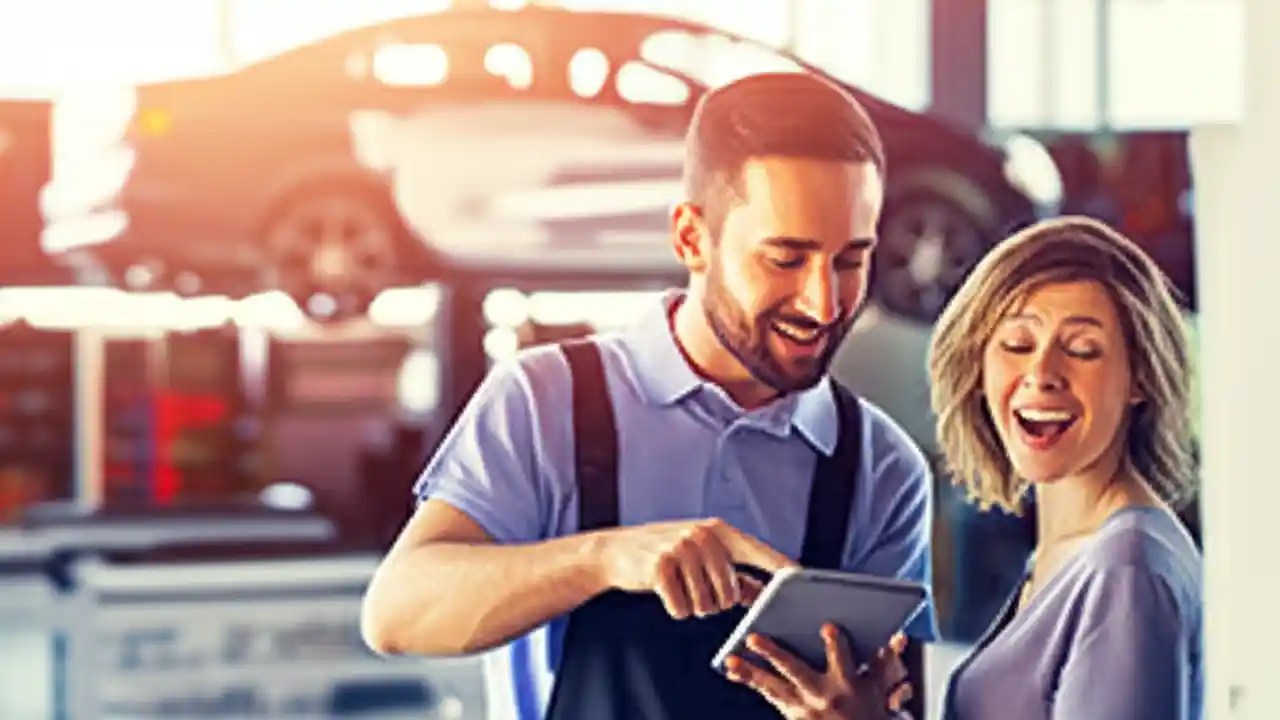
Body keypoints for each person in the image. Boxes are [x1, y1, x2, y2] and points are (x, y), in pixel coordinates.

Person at [360, 71, 939, 720]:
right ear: (692, 238)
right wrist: (604, 557)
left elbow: (903, 706)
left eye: (849, 261)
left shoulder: (880, 468)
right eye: (785, 259)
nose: (824, 302)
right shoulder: (549, 401)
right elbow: (397, 613)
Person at [725, 216, 1202, 719]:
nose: (1041, 375)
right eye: (1017, 345)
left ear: (1140, 378)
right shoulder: (1069, 553)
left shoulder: (1124, 572)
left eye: (1083, 350)